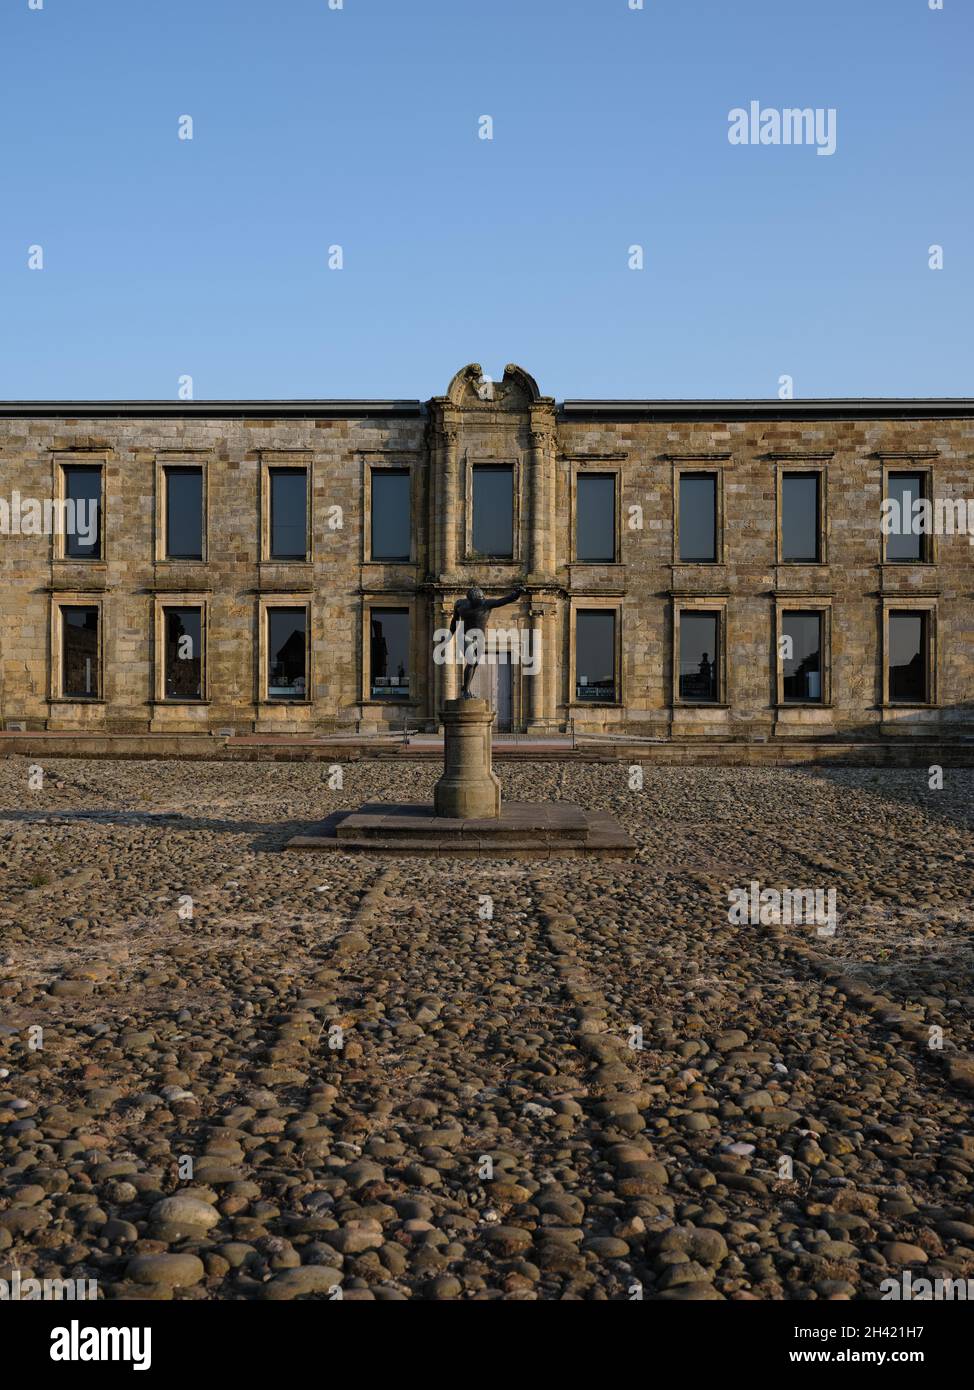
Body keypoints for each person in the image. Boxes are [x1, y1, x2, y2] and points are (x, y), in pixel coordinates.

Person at [449, 584, 526, 698]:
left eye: (482, 599)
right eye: (479, 601)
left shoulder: (486, 603)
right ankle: (465, 691)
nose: (482, 601)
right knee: (471, 661)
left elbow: (503, 601)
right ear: (471, 601)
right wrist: (449, 636)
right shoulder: (461, 604)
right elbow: (454, 621)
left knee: (475, 664)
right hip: (465, 636)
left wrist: (516, 594)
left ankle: (466, 689)